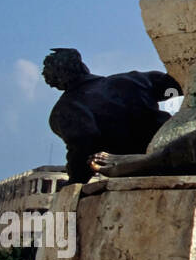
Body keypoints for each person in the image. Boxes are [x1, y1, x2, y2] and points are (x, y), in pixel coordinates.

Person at [44, 48, 180, 184]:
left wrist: (75, 180)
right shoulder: (133, 79)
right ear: (83, 67)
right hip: (177, 147)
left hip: (142, 168)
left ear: (55, 80)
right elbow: (176, 86)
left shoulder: (63, 110)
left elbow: (84, 147)